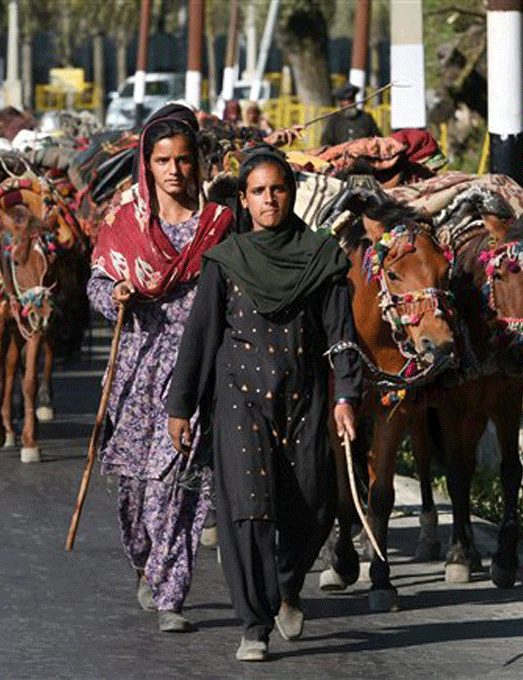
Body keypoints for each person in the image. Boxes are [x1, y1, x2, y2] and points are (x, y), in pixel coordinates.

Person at [166, 146, 361, 661]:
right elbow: (201, 335)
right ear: (244, 200)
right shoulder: (225, 260)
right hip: (240, 398)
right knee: (248, 511)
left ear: (291, 193)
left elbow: (341, 334)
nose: (269, 199)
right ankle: (254, 625)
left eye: (278, 189)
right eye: (258, 191)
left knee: (314, 503)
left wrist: (345, 395)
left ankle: (286, 585)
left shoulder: (321, 256)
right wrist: (181, 406)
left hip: (305, 398)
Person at [87, 103, 234, 633]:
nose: (175, 170)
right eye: (163, 160)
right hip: (136, 370)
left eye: (184, 159)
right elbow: (97, 283)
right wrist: (115, 295)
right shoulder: (125, 222)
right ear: (147, 165)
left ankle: (171, 592)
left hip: (193, 373)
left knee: (176, 484)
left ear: (197, 163)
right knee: (133, 490)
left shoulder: (219, 225)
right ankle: (145, 562)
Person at [320, 82, 381, 148]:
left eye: (351, 100)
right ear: (341, 103)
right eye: (345, 101)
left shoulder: (366, 118)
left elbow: (378, 139)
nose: (348, 103)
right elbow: (325, 142)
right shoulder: (334, 120)